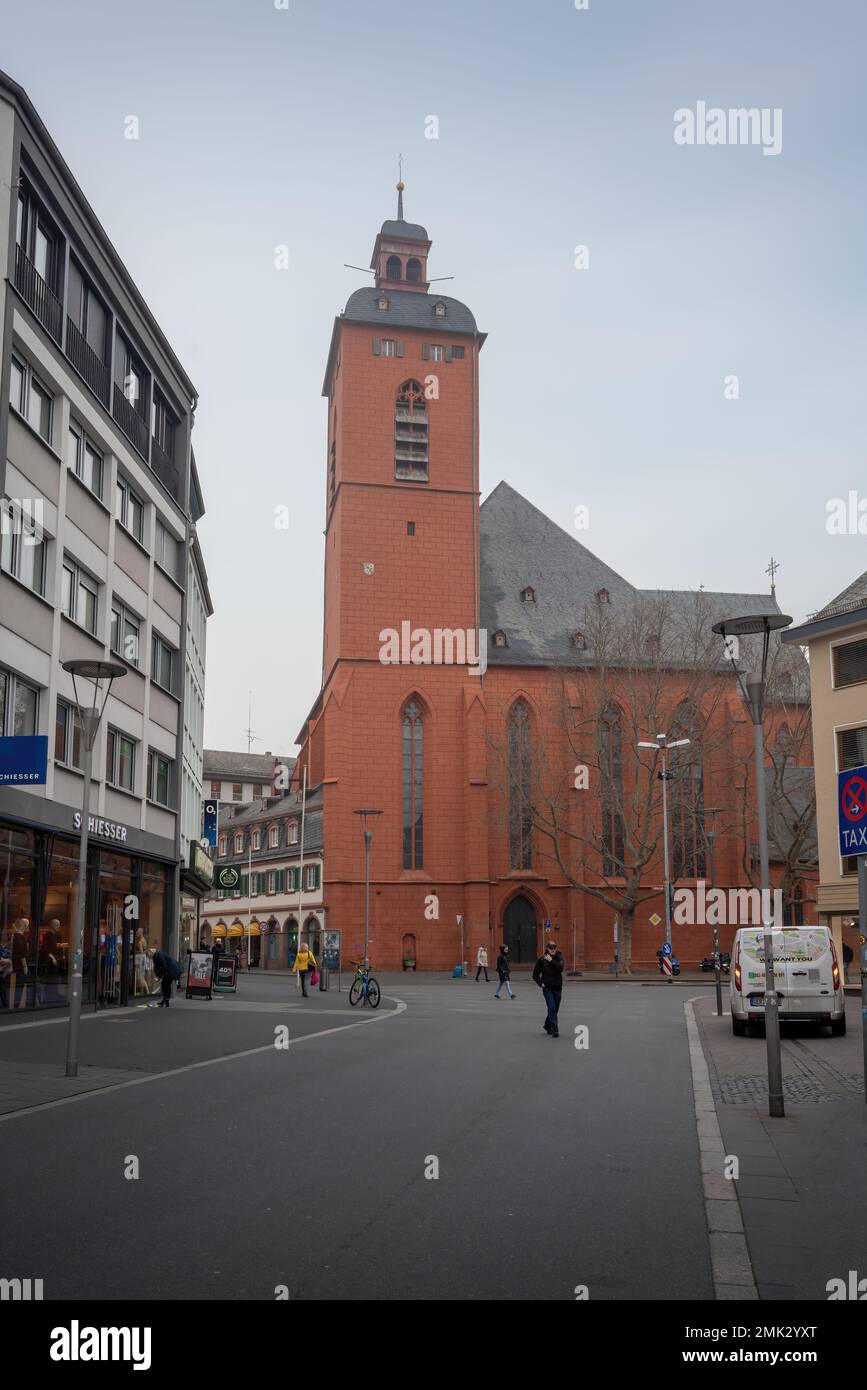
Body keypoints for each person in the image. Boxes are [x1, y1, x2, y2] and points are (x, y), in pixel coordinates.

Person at [532, 937, 564, 1037]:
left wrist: (551, 961)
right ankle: (555, 1028)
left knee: (555, 1009)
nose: (553, 949)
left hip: (557, 988)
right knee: (551, 1008)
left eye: (554, 947)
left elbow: (560, 969)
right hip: (547, 989)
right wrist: (541, 983)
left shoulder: (559, 958)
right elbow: (535, 974)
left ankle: (547, 1025)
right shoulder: (542, 959)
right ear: (547, 948)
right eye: (551, 947)